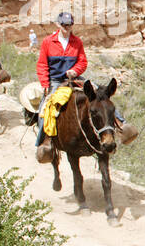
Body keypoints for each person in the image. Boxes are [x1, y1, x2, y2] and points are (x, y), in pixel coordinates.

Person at [34, 11, 136, 161]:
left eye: (69, 25)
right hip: (56, 80)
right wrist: (45, 84)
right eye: (64, 24)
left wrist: (75, 71)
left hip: (75, 77)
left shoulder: (77, 42)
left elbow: (82, 61)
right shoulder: (48, 42)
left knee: (102, 96)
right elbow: (42, 64)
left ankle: (121, 124)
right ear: (58, 24)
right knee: (46, 107)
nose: (66, 27)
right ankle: (44, 141)